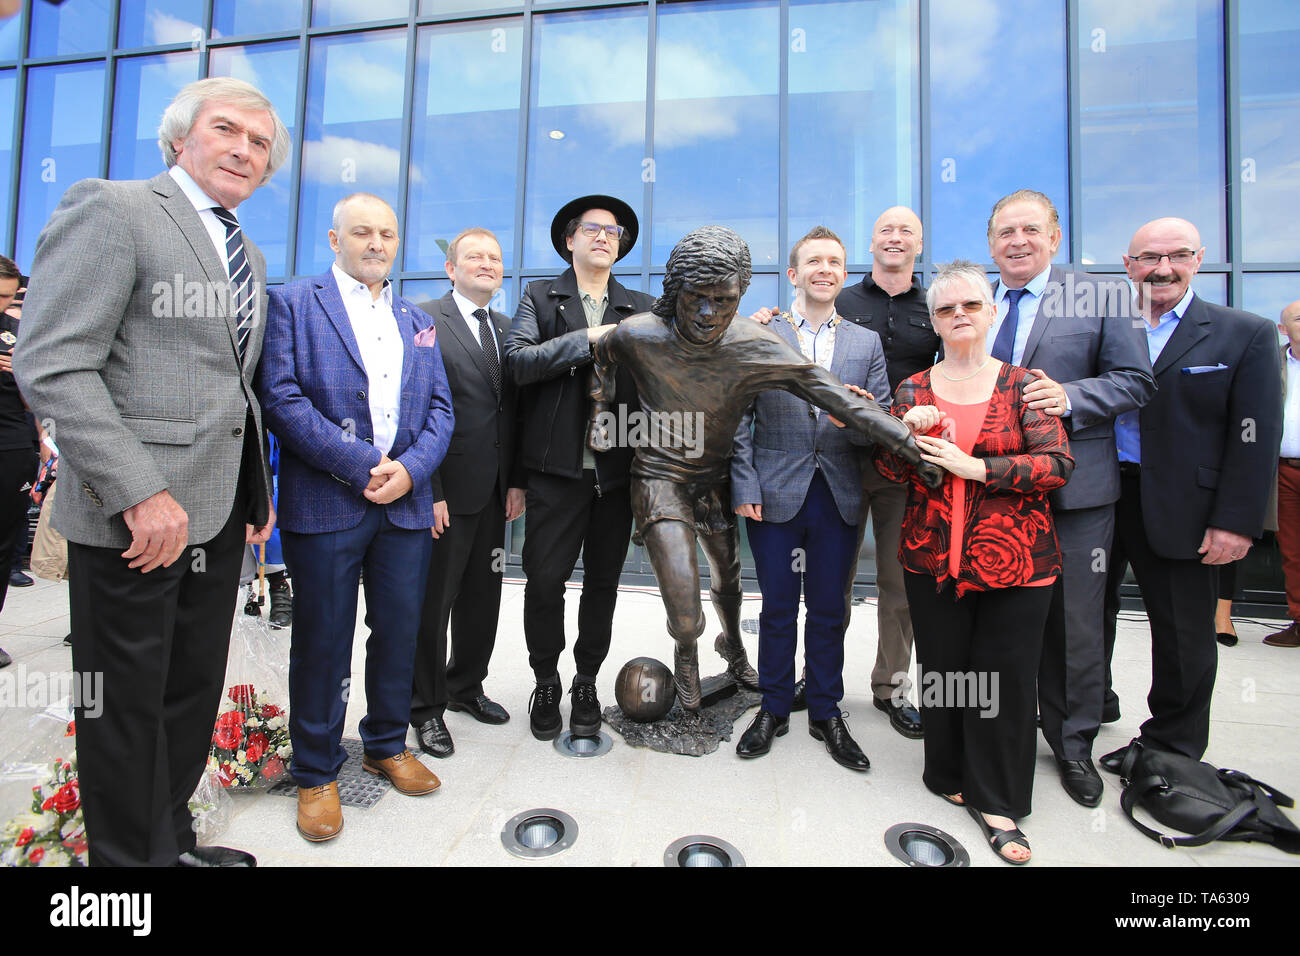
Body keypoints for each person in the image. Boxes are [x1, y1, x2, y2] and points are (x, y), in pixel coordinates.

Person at [14, 77, 288, 866]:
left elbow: (233, 388)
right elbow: (55, 363)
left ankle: (168, 843)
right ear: (179, 140)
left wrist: (253, 496)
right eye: (226, 130)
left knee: (187, 698)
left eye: (260, 142)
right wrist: (140, 491)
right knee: (125, 711)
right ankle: (125, 878)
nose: (244, 149)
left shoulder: (247, 251)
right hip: (140, 518)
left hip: (214, 513)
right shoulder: (114, 209)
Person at [587, 225, 939, 720]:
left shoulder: (757, 344)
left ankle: (733, 651)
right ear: (675, 291)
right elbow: (602, 357)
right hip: (660, 477)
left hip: (716, 478)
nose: (709, 314)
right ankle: (686, 662)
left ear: (740, 295)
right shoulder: (637, 332)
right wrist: (602, 410)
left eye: (723, 300)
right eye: (697, 299)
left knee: (729, 577)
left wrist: (911, 448)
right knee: (686, 610)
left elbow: (835, 396)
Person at [256, 193, 453, 843]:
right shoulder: (292, 302)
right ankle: (315, 771)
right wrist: (363, 462)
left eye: (388, 233)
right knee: (323, 640)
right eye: (362, 232)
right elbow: (281, 397)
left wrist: (410, 470)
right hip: (328, 502)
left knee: (399, 631)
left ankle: (385, 743)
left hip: (405, 505)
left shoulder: (417, 319)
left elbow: (441, 414)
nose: (377, 242)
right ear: (335, 238)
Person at [876, 260, 1074, 865]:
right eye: (945, 309)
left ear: (991, 312)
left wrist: (980, 468)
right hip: (932, 556)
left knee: (1004, 678)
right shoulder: (913, 387)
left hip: (1017, 563)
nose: (958, 316)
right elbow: (889, 475)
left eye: (970, 306)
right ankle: (948, 769)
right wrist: (902, 437)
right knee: (946, 668)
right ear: (933, 321)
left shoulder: (1024, 384)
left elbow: (1058, 466)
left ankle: (997, 800)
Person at [986, 189, 1154, 809]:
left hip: (1077, 493)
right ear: (991, 243)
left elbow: (1137, 380)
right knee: (998, 618)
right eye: (1005, 232)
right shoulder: (978, 301)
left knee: (1074, 622)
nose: (1018, 241)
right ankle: (998, 725)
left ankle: (1072, 741)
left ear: (1055, 237)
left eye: (1031, 229)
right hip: (996, 491)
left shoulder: (1102, 295)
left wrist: (1071, 398)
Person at [1100, 218, 1283, 768]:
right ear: (1129, 266)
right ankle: (1088, 709)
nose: (1162, 268)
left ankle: (1172, 745)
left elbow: (1256, 435)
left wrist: (1236, 521)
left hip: (1187, 507)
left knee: (1182, 635)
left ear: (1198, 259)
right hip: (1101, 497)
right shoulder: (1106, 327)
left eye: (1176, 255)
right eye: (1148, 258)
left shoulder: (1243, 333)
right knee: (1082, 618)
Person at [729, 226, 888, 770]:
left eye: (836, 262)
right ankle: (773, 707)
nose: (825, 269)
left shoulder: (866, 343)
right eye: (814, 261)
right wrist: (744, 485)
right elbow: (739, 418)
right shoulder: (761, 334)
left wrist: (859, 417)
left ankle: (825, 708)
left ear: (844, 275)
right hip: (773, 492)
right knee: (776, 609)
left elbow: (882, 421)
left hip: (839, 494)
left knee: (828, 610)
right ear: (794, 274)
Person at [503, 195, 654, 741]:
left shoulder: (640, 306)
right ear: (570, 240)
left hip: (615, 478)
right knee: (544, 582)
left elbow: (667, 372)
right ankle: (546, 678)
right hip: (555, 472)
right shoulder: (541, 297)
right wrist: (584, 340)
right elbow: (518, 364)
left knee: (604, 586)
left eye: (612, 232)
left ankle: (586, 679)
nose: (603, 238)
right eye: (591, 229)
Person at [408, 227, 525, 757]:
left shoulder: (508, 329)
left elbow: (514, 414)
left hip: (497, 491)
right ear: (450, 268)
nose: (486, 263)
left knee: (484, 598)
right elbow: (413, 410)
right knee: (435, 605)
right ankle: (426, 709)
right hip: (444, 492)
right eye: (473, 256)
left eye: (495, 258)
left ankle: (465, 686)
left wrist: (517, 480)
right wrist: (426, 487)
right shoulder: (423, 319)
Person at [834, 206, 938, 738]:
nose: (895, 238)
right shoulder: (843, 300)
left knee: (900, 585)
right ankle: (821, 679)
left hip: (907, 464)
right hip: (844, 459)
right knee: (833, 579)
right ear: (870, 243)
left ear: (919, 244)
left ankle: (890, 689)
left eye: (906, 232)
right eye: (886, 230)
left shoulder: (936, 304)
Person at [0, 257, 34, 668]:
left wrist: (24, 374)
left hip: (11, 447)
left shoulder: (15, 334)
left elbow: (36, 399)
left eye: (9, 298)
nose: (4, 305)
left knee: (4, 546)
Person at [1265, 299, 1300, 648]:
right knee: (1292, 550)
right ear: (1283, 329)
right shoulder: (1271, 362)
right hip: (1284, 471)